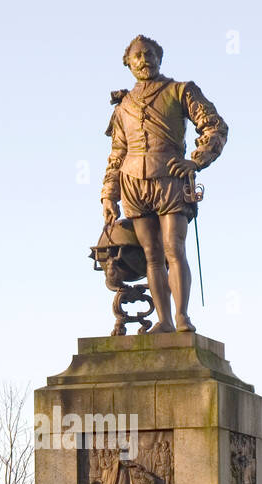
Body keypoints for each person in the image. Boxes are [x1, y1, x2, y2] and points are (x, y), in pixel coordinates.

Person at [102, 35, 228, 333]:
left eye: (149, 54)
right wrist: (109, 195)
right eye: (137, 56)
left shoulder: (180, 91)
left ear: (160, 58)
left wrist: (196, 160)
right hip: (133, 184)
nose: (144, 60)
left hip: (170, 177)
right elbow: (117, 154)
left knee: (174, 248)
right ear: (128, 63)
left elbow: (215, 126)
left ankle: (182, 318)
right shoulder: (122, 107)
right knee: (151, 255)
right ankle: (164, 321)